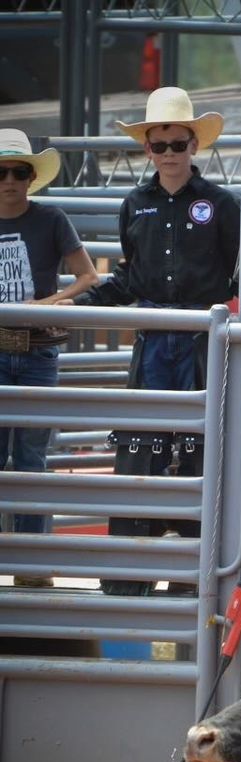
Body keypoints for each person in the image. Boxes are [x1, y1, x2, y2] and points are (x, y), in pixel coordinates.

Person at [64, 87, 240, 596]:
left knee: (199, 450)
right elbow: (130, 277)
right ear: (146, 149)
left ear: (193, 146)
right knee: (141, 451)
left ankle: (194, 582)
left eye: (177, 144)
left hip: (201, 343)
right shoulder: (134, 205)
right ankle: (129, 583)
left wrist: (215, 310)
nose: (168, 154)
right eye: (158, 145)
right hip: (154, 345)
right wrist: (77, 306)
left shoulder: (220, 204)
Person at [0, 129, 97, 587]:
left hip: (38, 351)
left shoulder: (51, 219)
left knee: (32, 457)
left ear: (31, 176)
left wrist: (52, 301)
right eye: (2, 172)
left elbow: (88, 275)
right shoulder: (51, 219)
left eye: (19, 172)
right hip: (10, 351)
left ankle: (31, 566)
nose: (10, 181)